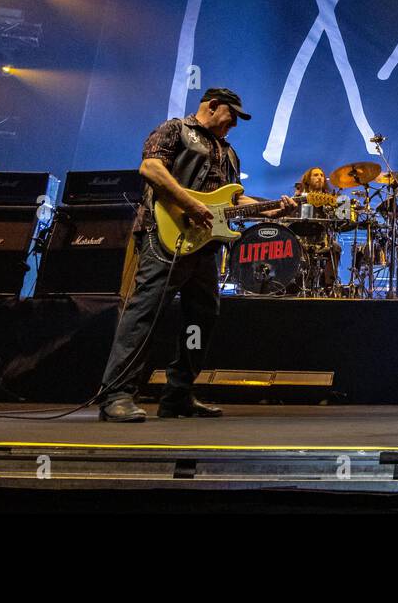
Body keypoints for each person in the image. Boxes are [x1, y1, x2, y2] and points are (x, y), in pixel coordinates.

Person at [97, 87, 294, 422]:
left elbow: (230, 203)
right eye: (232, 116)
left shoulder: (229, 153)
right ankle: (116, 393)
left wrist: (269, 210)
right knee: (145, 314)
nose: (234, 125)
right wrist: (190, 204)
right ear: (213, 105)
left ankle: (178, 394)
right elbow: (151, 169)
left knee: (200, 321)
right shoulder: (175, 130)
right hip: (166, 238)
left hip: (205, 246)